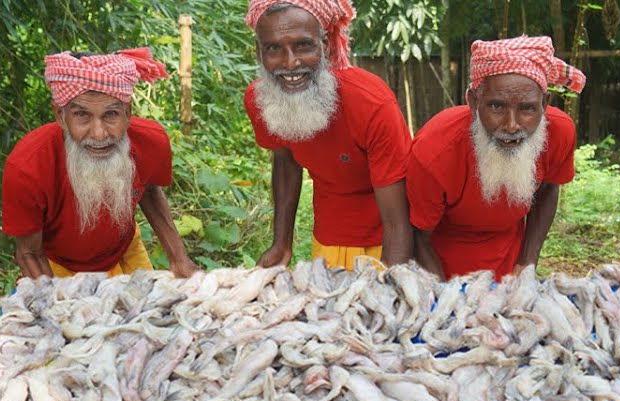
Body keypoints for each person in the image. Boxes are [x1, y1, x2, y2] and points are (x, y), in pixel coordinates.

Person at [243, 0, 413, 269]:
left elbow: (398, 221)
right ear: (258, 51)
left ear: (325, 45)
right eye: (274, 48)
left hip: (388, 239)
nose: (290, 63)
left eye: (303, 45)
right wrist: (281, 243)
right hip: (330, 234)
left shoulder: (370, 102)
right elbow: (285, 160)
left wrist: (393, 276)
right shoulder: (260, 100)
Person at [2, 48, 200, 279]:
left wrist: (180, 260)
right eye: (82, 115)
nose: (99, 134)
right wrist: (52, 297)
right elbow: (29, 253)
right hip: (56, 266)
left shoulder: (150, 142)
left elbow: (149, 191)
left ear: (127, 113)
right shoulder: (27, 167)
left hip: (124, 253)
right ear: (60, 116)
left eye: (111, 114)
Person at [405, 35, 585, 280]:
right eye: (497, 107)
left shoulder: (560, 132)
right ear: (473, 102)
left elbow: (548, 189)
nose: (511, 126)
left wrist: (527, 262)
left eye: (527, 108)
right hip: (441, 261)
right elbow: (418, 234)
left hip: (510, 257)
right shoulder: (434, 150)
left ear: (544, 103)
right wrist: (443, 292)